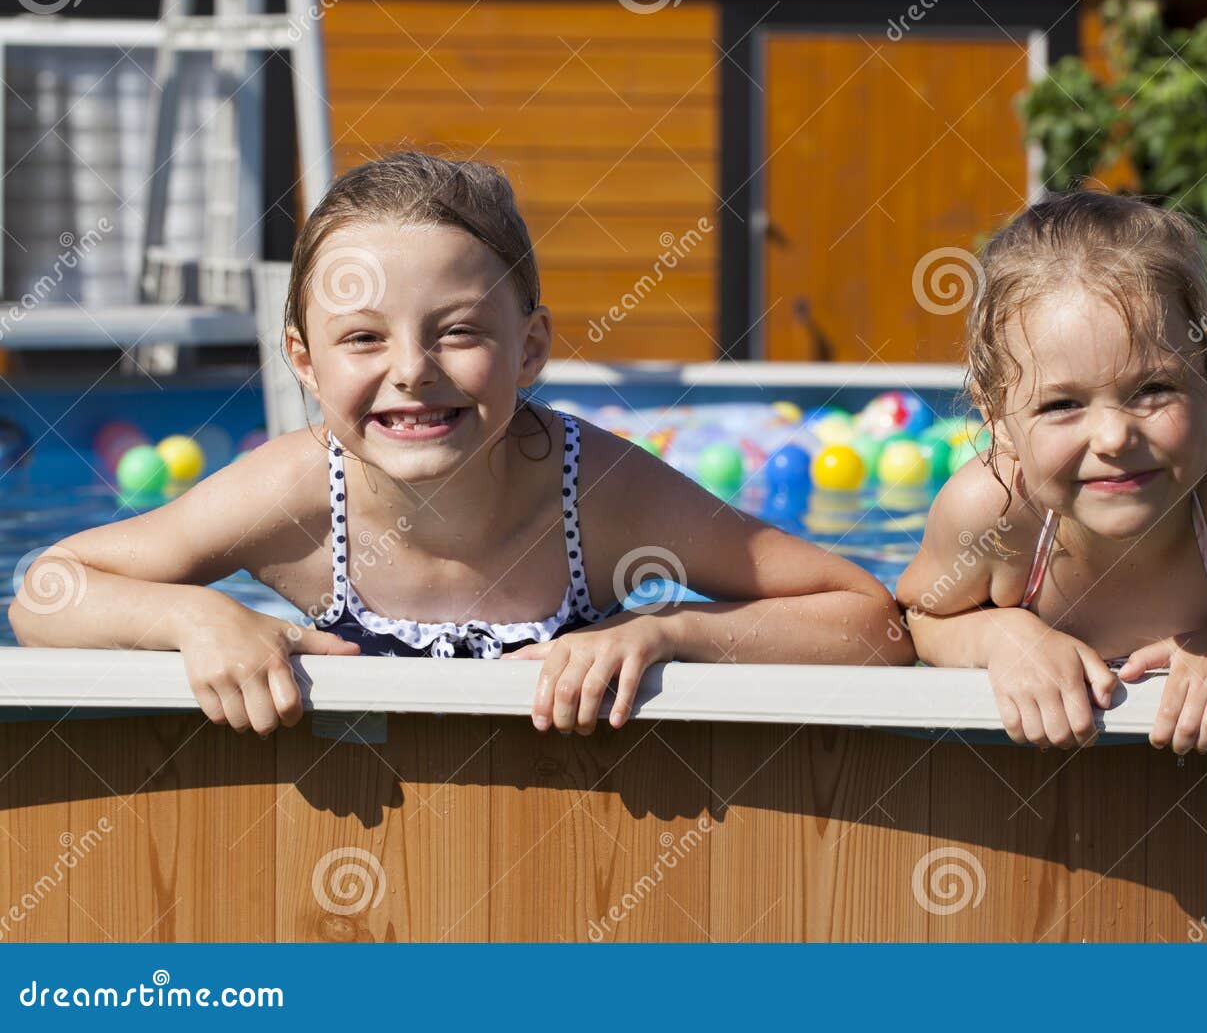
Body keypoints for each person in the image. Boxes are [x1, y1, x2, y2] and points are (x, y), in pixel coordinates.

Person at [10, 152, 909, 736]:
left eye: (458, 331)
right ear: (305, 362)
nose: (412, 370)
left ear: (531, 347)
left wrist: (669, 631)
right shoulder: (293, 494)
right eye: (363, 339)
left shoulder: (598, 492)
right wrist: (197, 619)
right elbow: (44, 593)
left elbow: (871, 623)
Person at [896, 188, 1207, 753]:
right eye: (1061, 405)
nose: (1114, 438)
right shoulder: (992, 515)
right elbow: (918, 617)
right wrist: (1005, 637)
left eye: (1153, 389)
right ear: (997, 419)